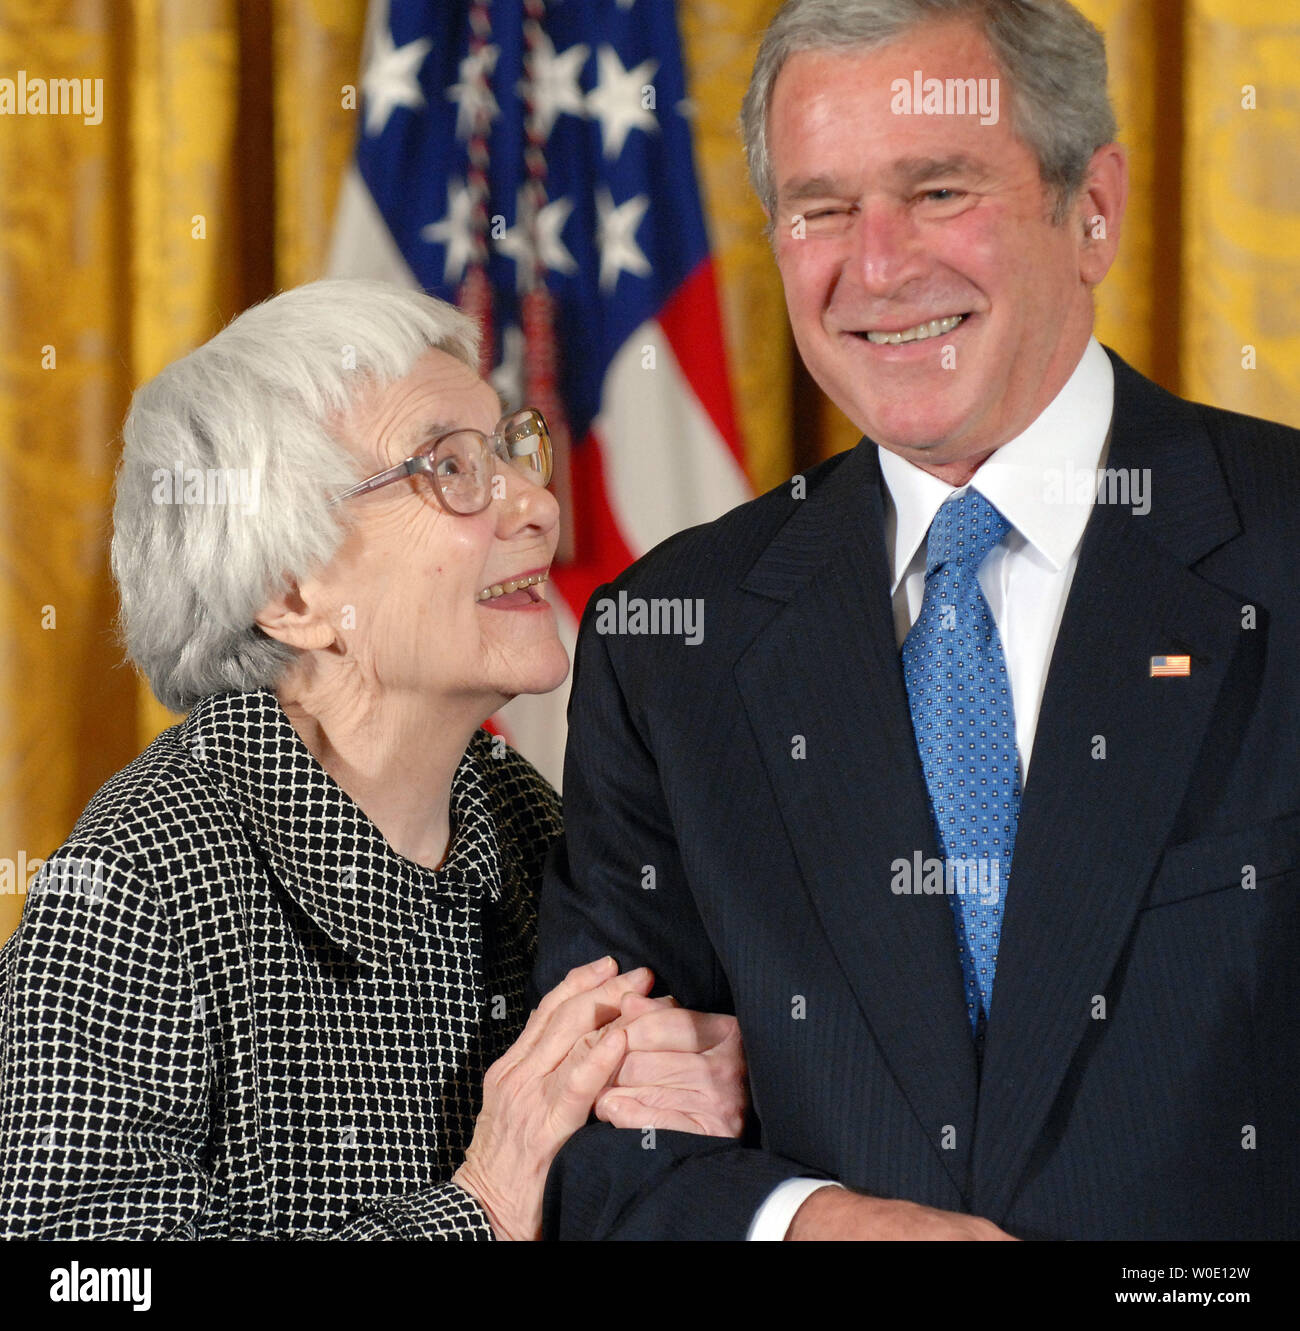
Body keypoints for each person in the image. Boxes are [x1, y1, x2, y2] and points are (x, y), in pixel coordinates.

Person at [534, 0, 1299, 1241]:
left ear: (1091, 207)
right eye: (821, 208)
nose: (876, 265)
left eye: (939, 191)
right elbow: (589, 1141)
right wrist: (810, 1222)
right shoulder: (669, 640)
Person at [0, 278, 745, 1241]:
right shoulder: (135, 880)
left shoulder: (524, 816)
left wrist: (714, 1075)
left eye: (511, 451)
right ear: (292, 593)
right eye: (449, 466)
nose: (538, 506)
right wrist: (481, 1208)